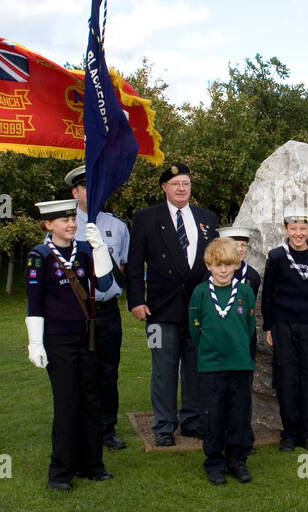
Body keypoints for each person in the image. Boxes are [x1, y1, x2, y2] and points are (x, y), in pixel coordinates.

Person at [125, 162, 220, 447]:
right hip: (159, 310)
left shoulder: (207, 218)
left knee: (194, 367)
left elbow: (214, 261)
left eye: (186, 183)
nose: (181, 188)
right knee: (163, 369)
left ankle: (192, 421)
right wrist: (136, 301)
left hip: (197, 309)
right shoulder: (146, 218)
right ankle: (164, 426)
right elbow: (133, 264)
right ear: (164, 187)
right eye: (175, 183)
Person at [25, 199, 116, 489]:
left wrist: (100, 248)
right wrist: (35, 343)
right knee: (67, 405)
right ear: (48, 225)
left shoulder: (85, 250)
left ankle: (92, 464)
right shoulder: (39, 256)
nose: (71, 223)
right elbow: (34, 302)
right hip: (58, 339)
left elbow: (104, 284)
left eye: (72, 218)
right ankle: (60, 472)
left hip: (85, 336)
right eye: (63, 220)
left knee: (91, 400)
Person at [67, 164, 130, 451]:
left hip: (107, 312)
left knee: (108, 371)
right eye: (85, 187)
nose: (92, 193)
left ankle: (107, 428)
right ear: (75, 192)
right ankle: (82, 426)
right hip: (76, 312)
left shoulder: (117, 226)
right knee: (81, 370)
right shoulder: (65, 224)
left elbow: (124, 268)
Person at [261, 206, 308, 452]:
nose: (299, 233)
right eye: (294, 229)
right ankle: (289, 434)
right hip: (282, 325)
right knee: (286, 379)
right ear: (286, 229)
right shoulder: (277, 257)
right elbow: (267, 295)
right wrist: (268, 327)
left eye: (303, 228)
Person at [189, 237, 258, 485]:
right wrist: (210, 350)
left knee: (239, 416)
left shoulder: (245, 292)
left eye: (229, 265)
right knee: (213, 416)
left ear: (237, 265)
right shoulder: (200, 293)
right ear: (209, 266)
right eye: (218, 265)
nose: (223, 270)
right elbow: (195, 329)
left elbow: (249, 327)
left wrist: (237, 348)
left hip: (240, 365)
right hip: (211, 367)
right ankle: (215, 462)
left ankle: (237, 460)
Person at [216, 225, 261, 298]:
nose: (240, 249)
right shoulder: (214, 273)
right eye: (235, 245)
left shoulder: (252, 276)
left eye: (243, 245)